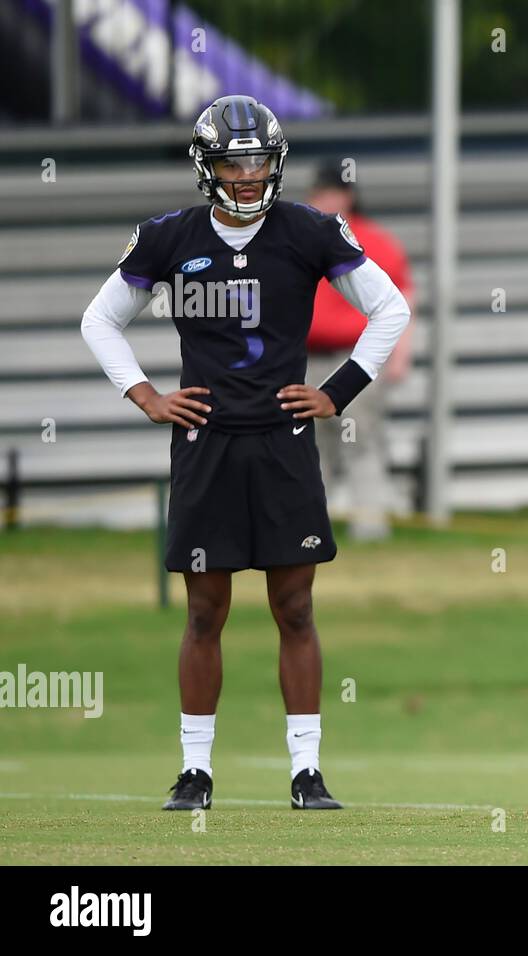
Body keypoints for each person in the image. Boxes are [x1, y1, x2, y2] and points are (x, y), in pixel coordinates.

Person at [79, 95, 410, 811]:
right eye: (235, 160)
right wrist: (145, 395)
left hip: (282, 438)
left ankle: (306, 771)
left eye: (259, 159)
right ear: (208, 167)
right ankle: (195, 771)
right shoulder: (168, 238)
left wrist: (338, 390)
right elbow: (99, 319)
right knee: (204, 611)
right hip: (205, 442)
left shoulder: (309, 231)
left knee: (294, 606)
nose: (250, 173)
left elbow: (390, 308)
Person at [306, 160, 414, 540]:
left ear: (347, 196)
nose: (322, 201)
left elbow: (400, 299)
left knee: (362, 439)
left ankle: (369, 525)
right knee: (312, 446)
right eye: (317, 194)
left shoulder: (375, 241)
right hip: (311, 358)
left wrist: (399, 355)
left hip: (358, 357)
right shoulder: (303, 237)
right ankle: (309, 528)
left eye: (329, 193)